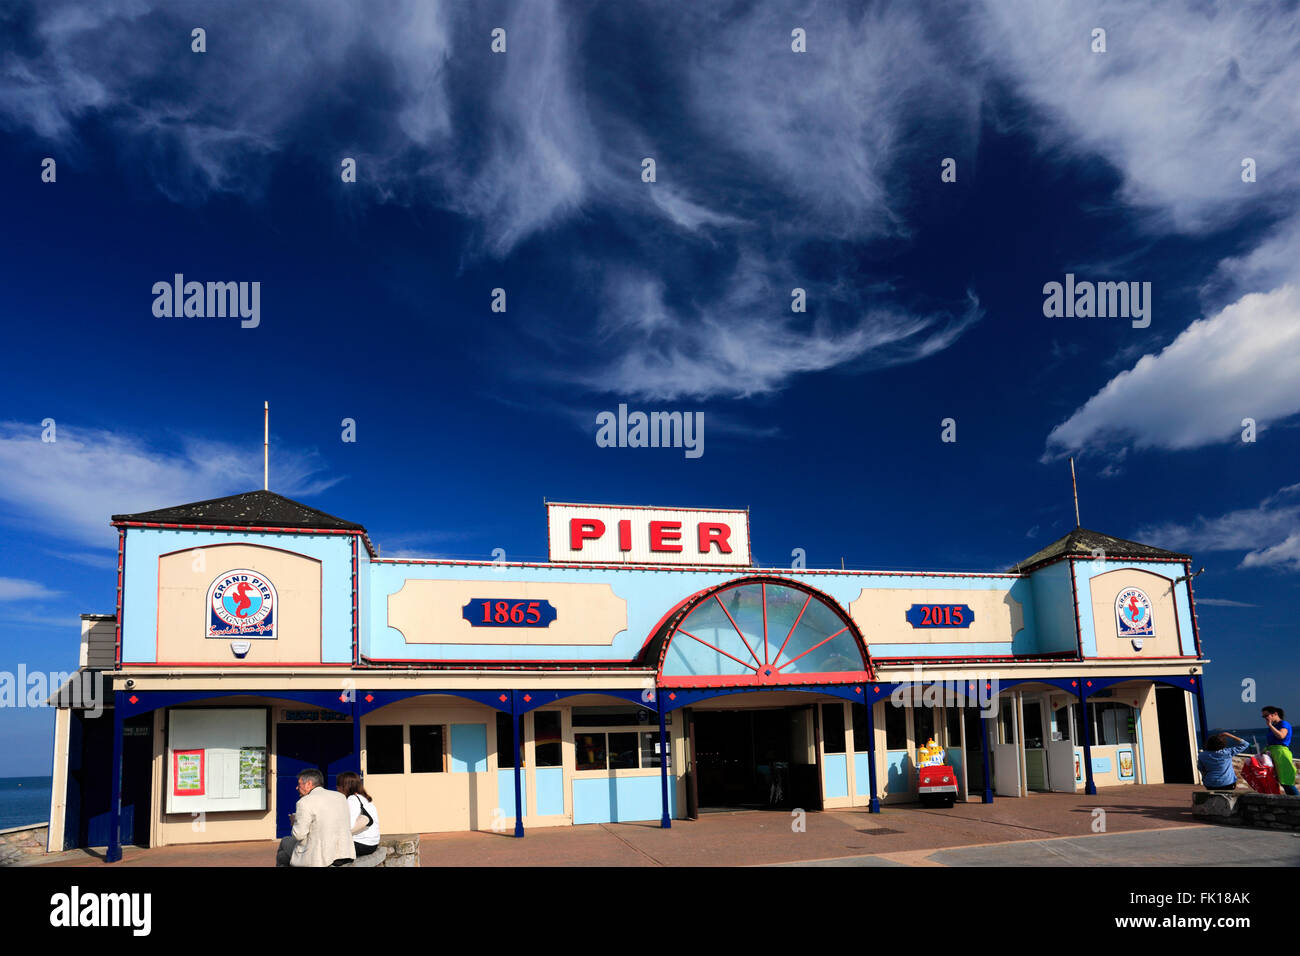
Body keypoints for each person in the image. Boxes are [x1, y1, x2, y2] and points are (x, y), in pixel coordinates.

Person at [275, 769, 355, 867]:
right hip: (344, 853)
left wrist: (294, 822)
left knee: (284, 843)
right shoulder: (340, 797)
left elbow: (298, 835)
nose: (296, 788)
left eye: (299, 784)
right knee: (283, 855)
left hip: (320, 856)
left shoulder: (304, 802)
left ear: (309, 784)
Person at [337, 770, 380, 858]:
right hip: (372, 843)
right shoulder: (364, 798)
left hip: (361, 844)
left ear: (345, 787)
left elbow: (350, 826)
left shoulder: (352, 800)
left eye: (339, 785)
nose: (337, 788)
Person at [1262, 706, 1299, 796]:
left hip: (1281, 753)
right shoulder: (1273, 726)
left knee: (1286, 780)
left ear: (1275, 714)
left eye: (1266, 715)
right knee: (1281, 781)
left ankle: (1297, 801)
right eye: (1263, 717)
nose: (1265, 718)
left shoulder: (1284, 724)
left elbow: (1281, 736)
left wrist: (1270, 726)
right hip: (1273, 753)